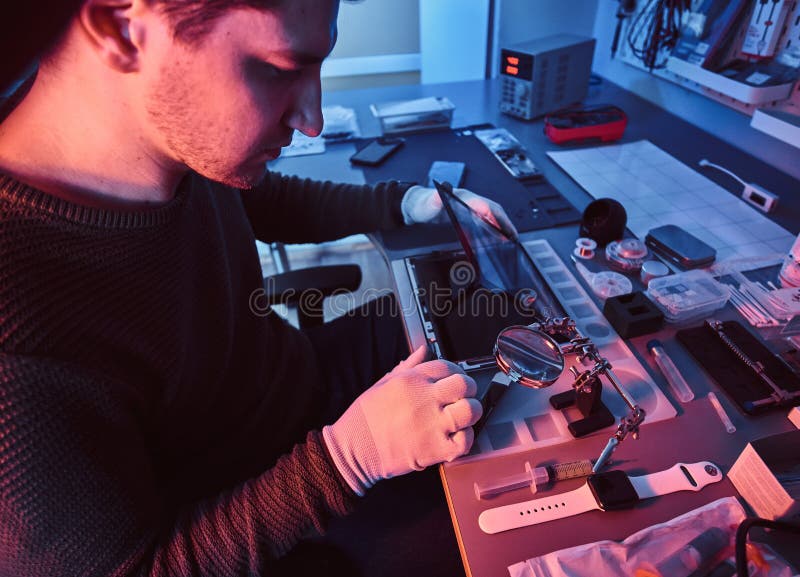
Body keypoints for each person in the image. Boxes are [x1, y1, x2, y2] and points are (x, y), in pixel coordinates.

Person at [0, 0, 515, 575]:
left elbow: (254, 199)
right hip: (258, 510)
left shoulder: (168, 138)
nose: (313, 118)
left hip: (298, 384)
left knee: (502, 311)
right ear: (122, 29)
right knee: (519, 537)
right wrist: (350, 457)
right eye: (279, 67)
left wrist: (405, 202)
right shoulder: (19, 341)